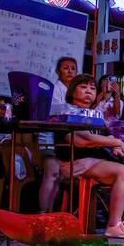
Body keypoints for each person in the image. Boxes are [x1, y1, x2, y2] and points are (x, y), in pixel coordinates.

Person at [57, 74, 124, 239]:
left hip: (99, 161)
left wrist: (114, 147)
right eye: (83, 87)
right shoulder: (66, 112)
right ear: (72, 91)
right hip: (77, 163)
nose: (89, 91)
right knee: (122, 172)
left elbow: (105, 138)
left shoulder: (95, 115)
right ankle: (113, 225)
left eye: (92, 88)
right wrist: (113, 142)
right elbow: (80, 139)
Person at [39, 56, 80, 212]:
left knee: (57, 178)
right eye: (65, 68)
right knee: (51, 175)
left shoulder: (74, 90)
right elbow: (56, 111)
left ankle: (50, 213)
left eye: (73, 68)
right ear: (57, 71)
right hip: (50, 138)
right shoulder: (54, 89)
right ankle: (42, 213)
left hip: (64, 139)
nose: (70, 71)